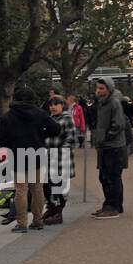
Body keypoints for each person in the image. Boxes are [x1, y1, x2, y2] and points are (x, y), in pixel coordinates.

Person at [0, 86, 61, 231]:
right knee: (37, 189)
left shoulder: (7, 116)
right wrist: (41, 138)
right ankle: (38, 220)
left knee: (20, 190)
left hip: (18, 154)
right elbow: (56, 128)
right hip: (36, 153)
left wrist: (12, 144)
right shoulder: (40, 113)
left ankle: (21, 223)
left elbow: (1, 139)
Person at [90, 76, 128, 218]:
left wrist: (105, 137)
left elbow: (118, 124)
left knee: (112, 177)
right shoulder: (102, 103)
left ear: (109, 89)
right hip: (106, 146)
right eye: (97, 88)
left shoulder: (113, 103)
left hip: (113, 146)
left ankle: (113, 206)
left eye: (101, 88)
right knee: (104, 176)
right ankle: (112, 204)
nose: (98, 91)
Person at [42, 96, 77, 225]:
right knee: (47, 185)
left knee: (58, 187)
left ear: (63, 105)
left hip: (61, 158)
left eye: (56, 104)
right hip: (48, 158)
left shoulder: (67, 118)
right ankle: (51, 208)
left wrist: (60, 151)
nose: (53, 107)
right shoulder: (49, 119)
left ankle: (58, 212)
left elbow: (71, 139)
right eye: (51, 104)